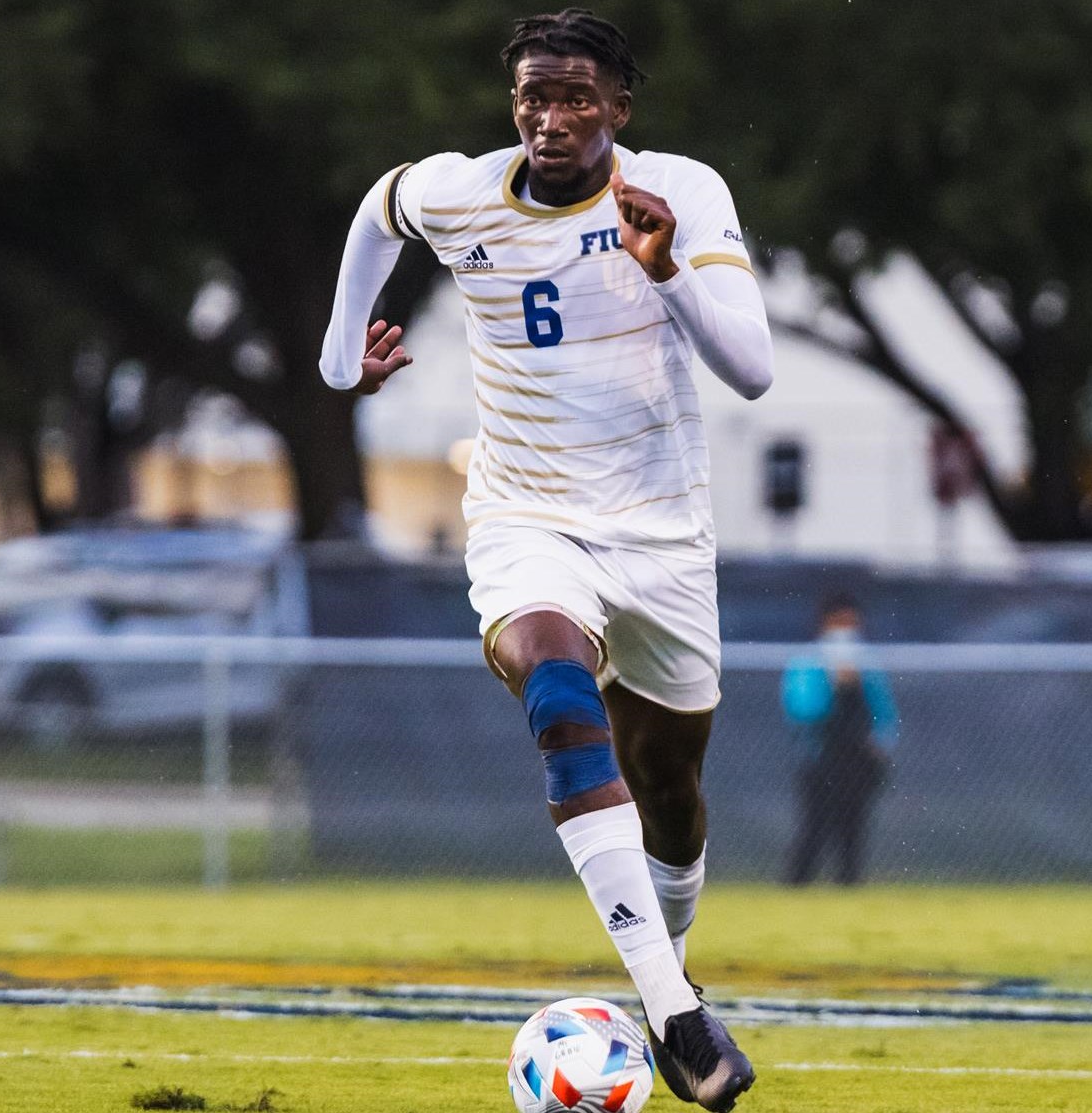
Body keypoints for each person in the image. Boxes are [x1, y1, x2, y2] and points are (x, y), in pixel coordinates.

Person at [316, 9, 771, 1109]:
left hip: (661, 534)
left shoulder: (680, 192)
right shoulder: (458, 190)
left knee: (669, 788)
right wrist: (342, 360)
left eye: (576, 98)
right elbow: (378, 214)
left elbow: (751, 368)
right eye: (533, 96)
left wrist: (665, 270)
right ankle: (673, 1013)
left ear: (618, 109)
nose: (550, 117)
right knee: (559, 696)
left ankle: (664, 962)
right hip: (526, 517)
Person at [781, 596, 899, 885]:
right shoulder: (808, 663)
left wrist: (881, 744)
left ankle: (849, 883)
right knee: (815, 825)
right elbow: (801, 710)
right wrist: (833, 685)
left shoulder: (867, 664)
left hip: (859, 761)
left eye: (851, 623)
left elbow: (883, 712)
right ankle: (798, 884)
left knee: (854, 827)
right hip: (820, 759)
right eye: (840, 622)